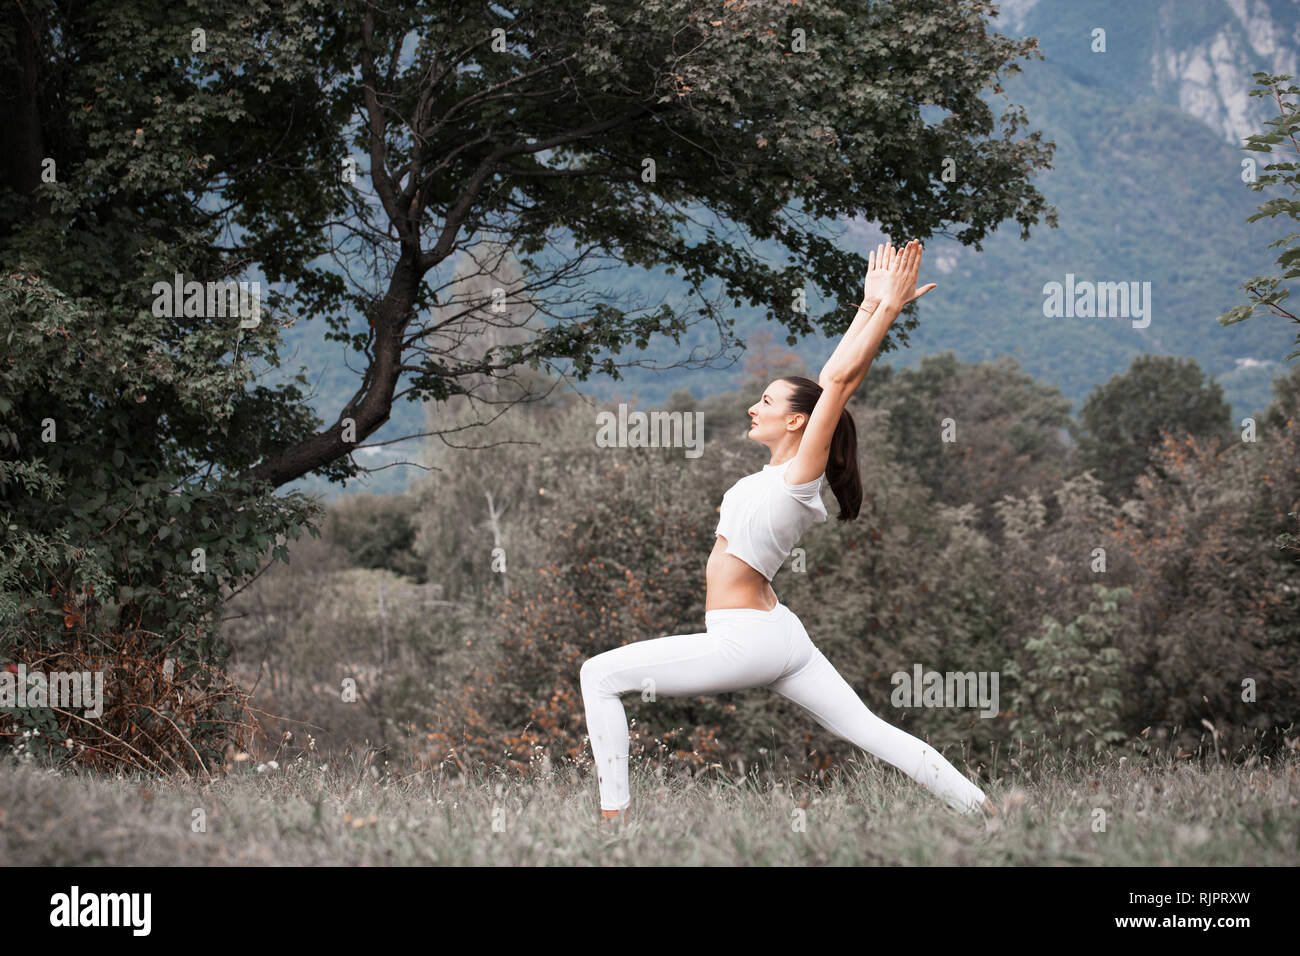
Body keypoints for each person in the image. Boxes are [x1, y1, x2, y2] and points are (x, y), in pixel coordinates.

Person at [579, 240, 995, 824]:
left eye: (766, 401)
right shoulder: (776, 474)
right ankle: (986, 814)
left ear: (798, 420)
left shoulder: (801, 476)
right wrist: (867, 305)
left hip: (745, 639)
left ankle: (612, 823)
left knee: (598, 674)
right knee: (871, 731)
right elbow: (831, 380)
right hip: (779, 635)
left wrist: (887, 311)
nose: (754, 406)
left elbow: (839, 383)